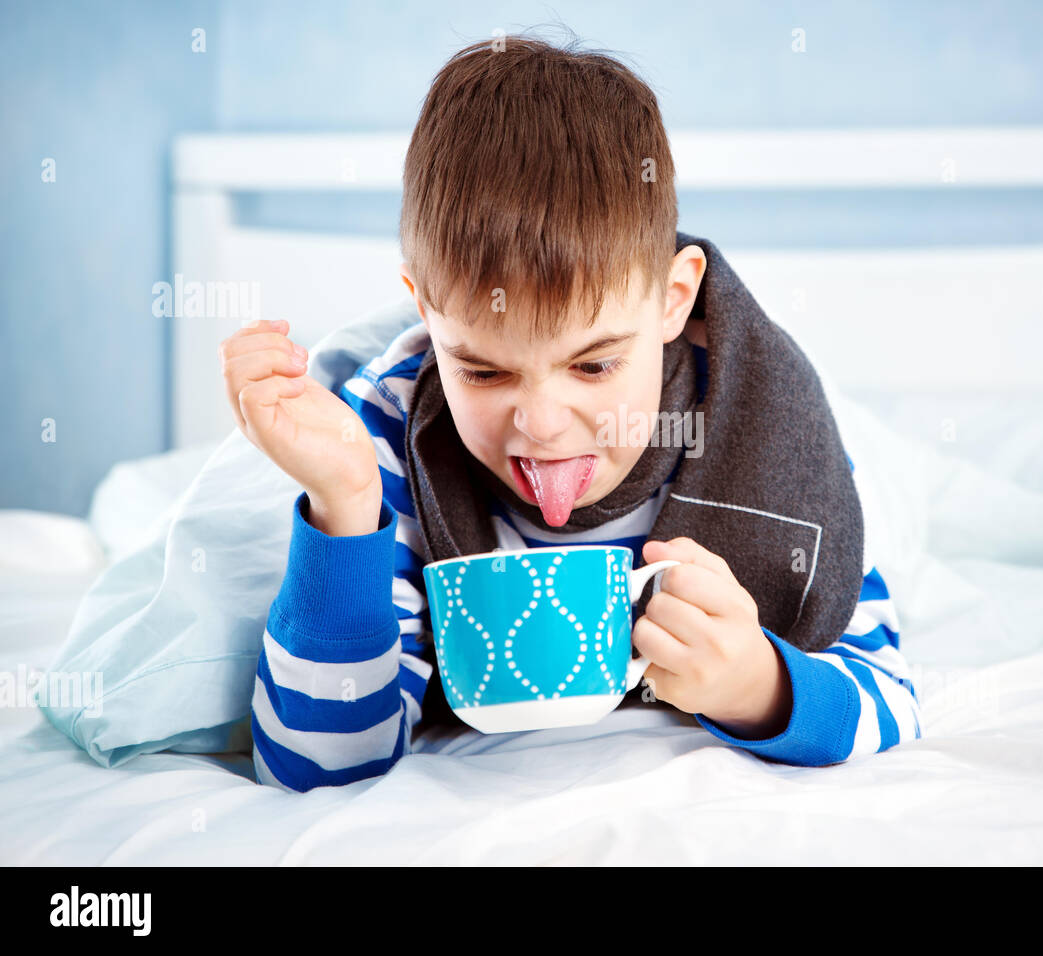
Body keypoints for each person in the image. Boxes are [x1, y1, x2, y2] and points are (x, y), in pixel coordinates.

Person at [218, 35, 921, 793]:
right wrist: (345, 511)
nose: (544, 424)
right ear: (425, 310)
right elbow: (315, 768)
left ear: (673, 300)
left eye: (594, 364)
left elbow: (891, 702)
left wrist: (757, 685)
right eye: (484, 370)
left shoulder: (772, 429)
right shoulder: (393, 435)